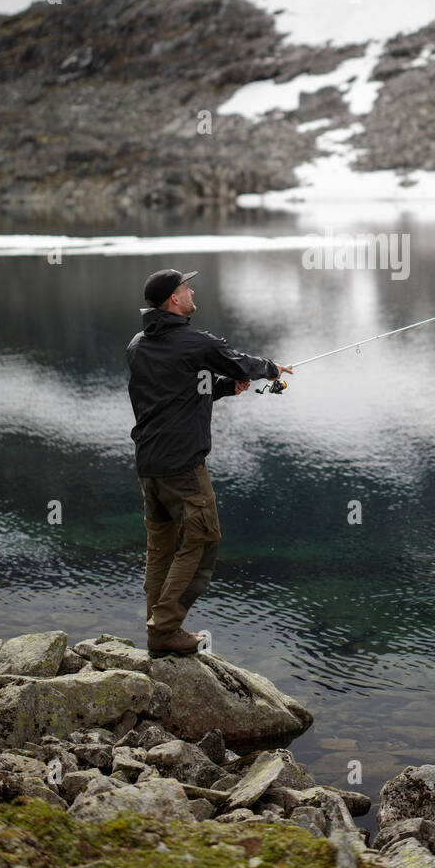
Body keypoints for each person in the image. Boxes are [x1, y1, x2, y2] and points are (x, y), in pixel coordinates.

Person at [126, 267, 292, 657]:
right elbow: (234, 360)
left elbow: (172, 391)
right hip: (182, 466)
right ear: (174, 300)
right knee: (203, 542)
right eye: (186, 287)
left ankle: (158, 629)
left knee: (161, 550)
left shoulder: (137, 345)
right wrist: (270, 368)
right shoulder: (192, 341)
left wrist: (220, 388)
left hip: (149, 465)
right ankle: (165, 630)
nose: (192, 289)